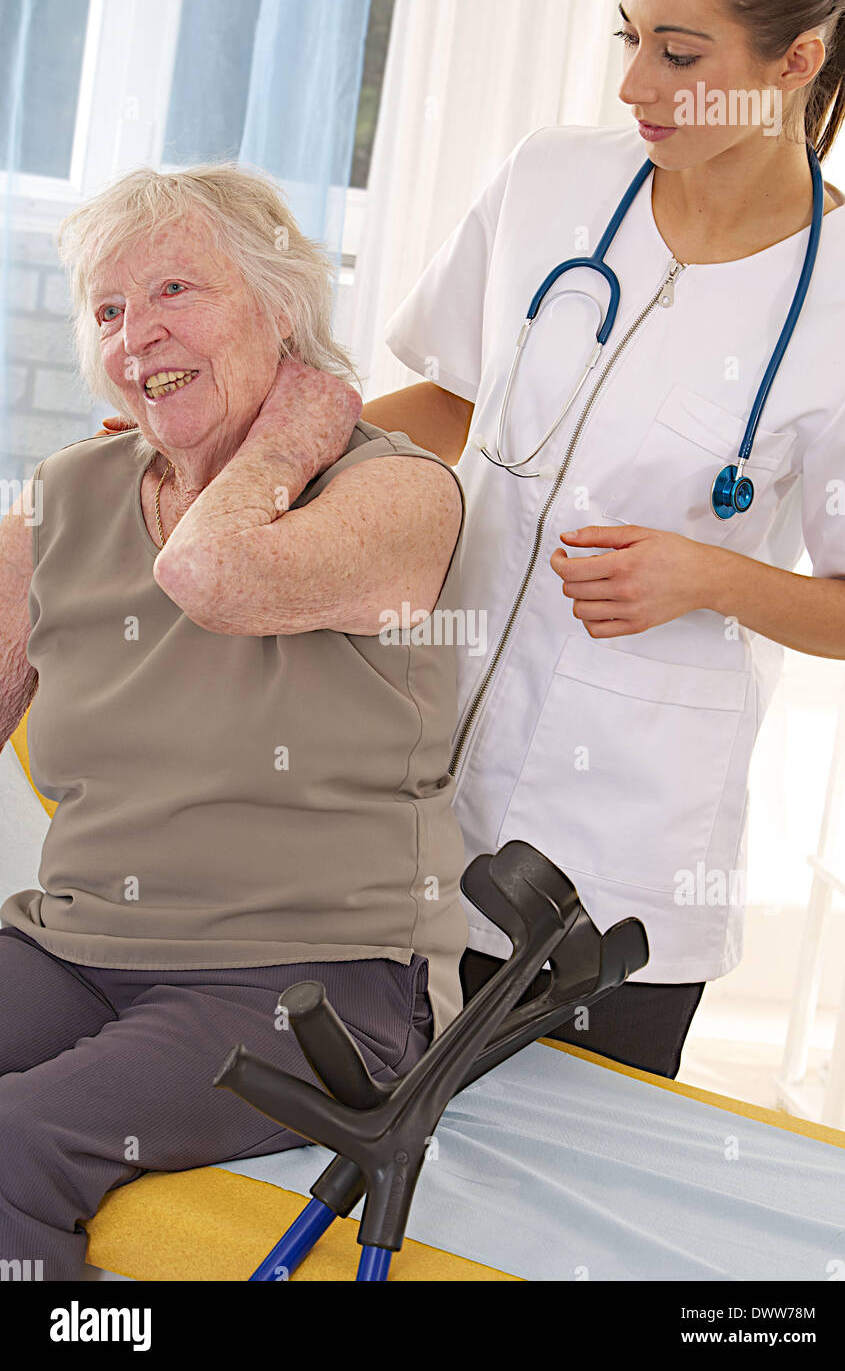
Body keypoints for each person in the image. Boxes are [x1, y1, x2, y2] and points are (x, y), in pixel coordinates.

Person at [361, 0, 845, 1080]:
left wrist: (711, 576)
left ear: (796, 63)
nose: (633, 84)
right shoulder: (552, 181)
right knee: (330, 1186)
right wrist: (236, 446)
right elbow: (445, 403)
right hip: (399, 806)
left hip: (615, 871)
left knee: (531, 1233)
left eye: (679, 55)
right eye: (627, 39)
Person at [0, 163, 467, 1279]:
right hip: (79, 942)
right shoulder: (66, 494)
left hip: (312, 980)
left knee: (15, 1143)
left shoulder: (394, 496)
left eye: (172, 291)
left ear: (281, 305)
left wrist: (284, 440)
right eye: (108, 311)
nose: (135, 335)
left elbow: (211, 575)